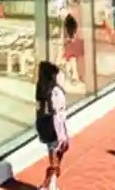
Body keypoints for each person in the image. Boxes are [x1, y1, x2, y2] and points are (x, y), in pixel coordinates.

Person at [34, 60, 70, 190]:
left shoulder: (41, 88)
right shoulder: (53, 91)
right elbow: (58, 110)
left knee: (53, 153)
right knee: (57, 153)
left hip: (45, 124)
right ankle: (49, 183)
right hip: (54, 125)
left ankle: (50, 183)